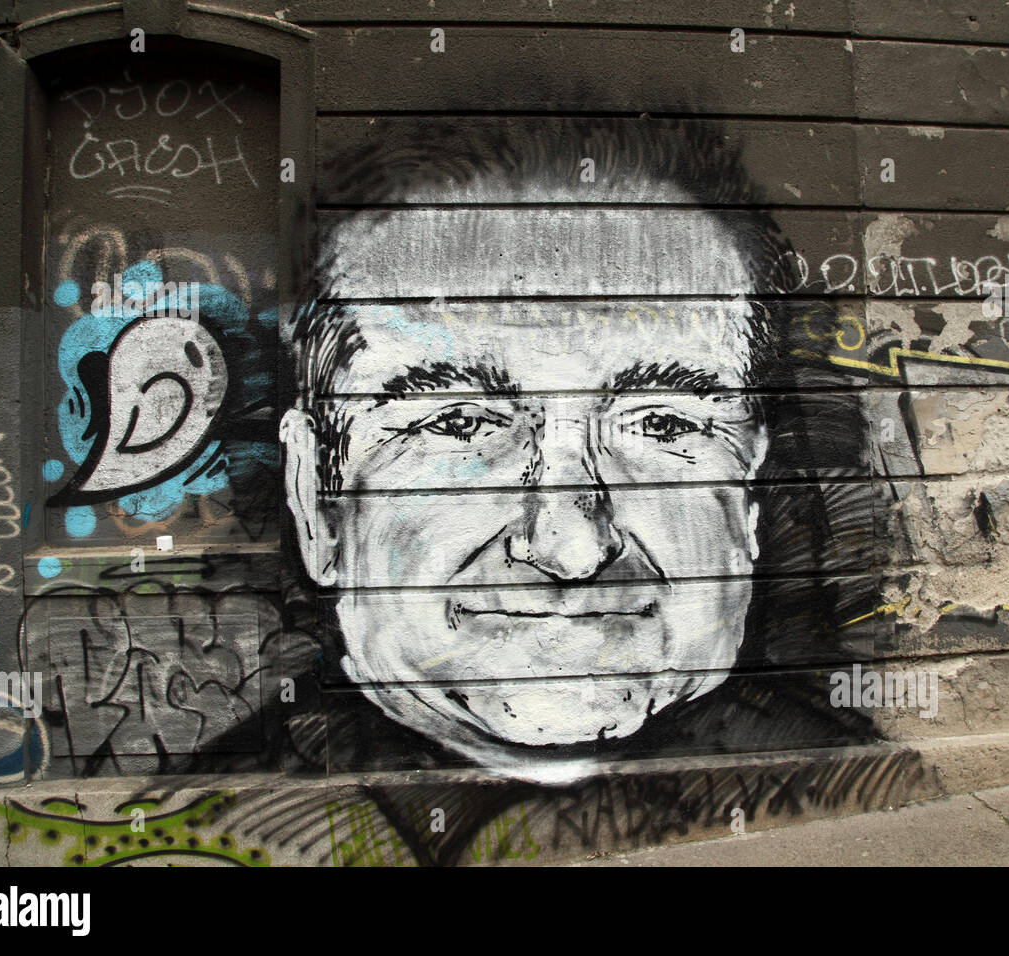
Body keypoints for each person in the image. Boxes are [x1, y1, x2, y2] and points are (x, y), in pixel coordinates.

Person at [279, 117, 878, 781]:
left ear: (748, 498)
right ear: (318, 504)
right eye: (457, 423)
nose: (573, 548)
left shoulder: (869, 796)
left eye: (662, 426)